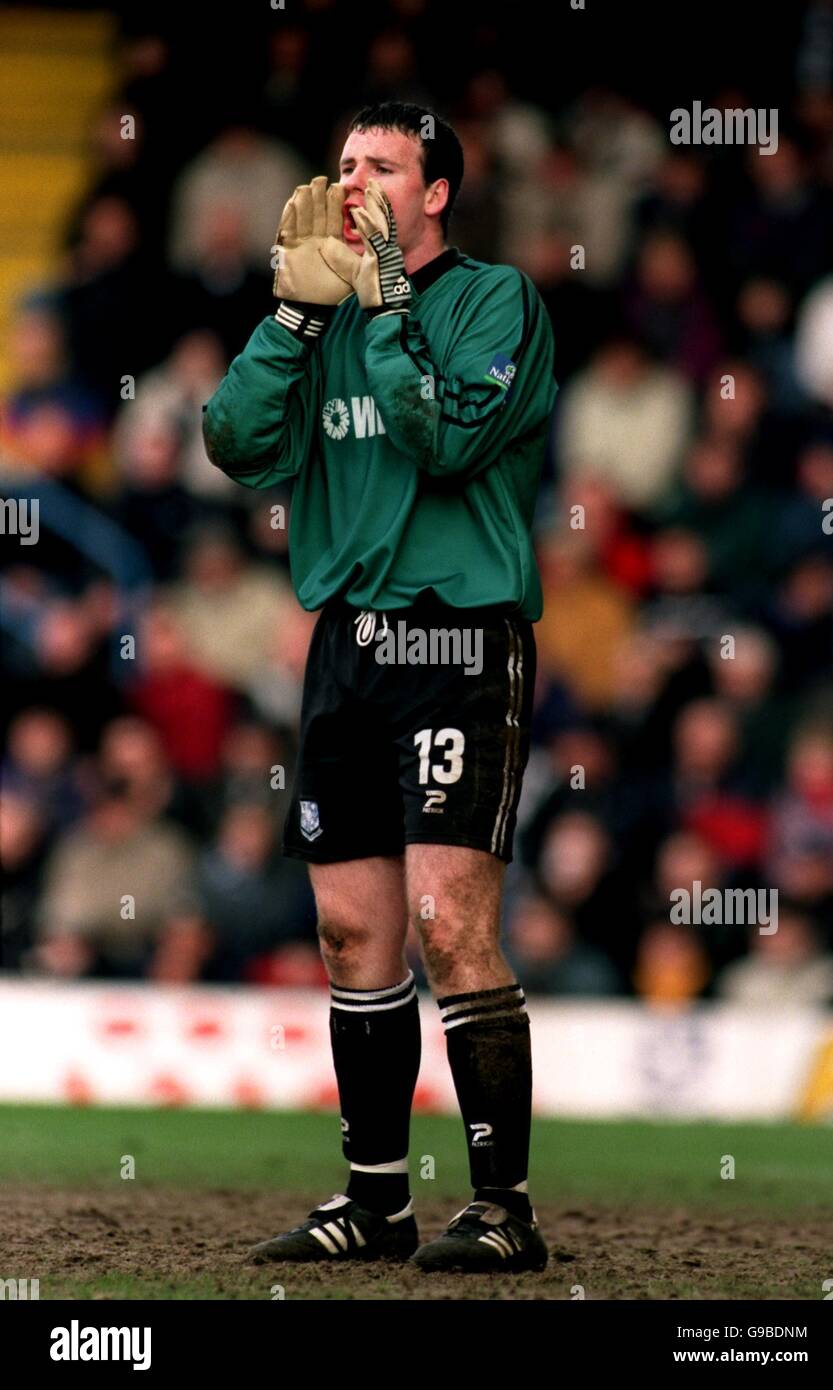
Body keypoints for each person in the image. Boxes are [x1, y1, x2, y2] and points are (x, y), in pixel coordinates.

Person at [203, 101, 558, 1273]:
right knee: (353, 931)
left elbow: (442, 438)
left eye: (384, 167)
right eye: (343, 165)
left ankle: (503, 1207)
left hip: (459, 640)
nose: (355, 185)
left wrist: (391, 296)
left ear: (437, 190)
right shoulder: (321, 322)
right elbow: (233, 440)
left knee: (448, 924)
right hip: (349, 643)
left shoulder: (495, 299)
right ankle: (374, 1201)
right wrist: (297, 315)